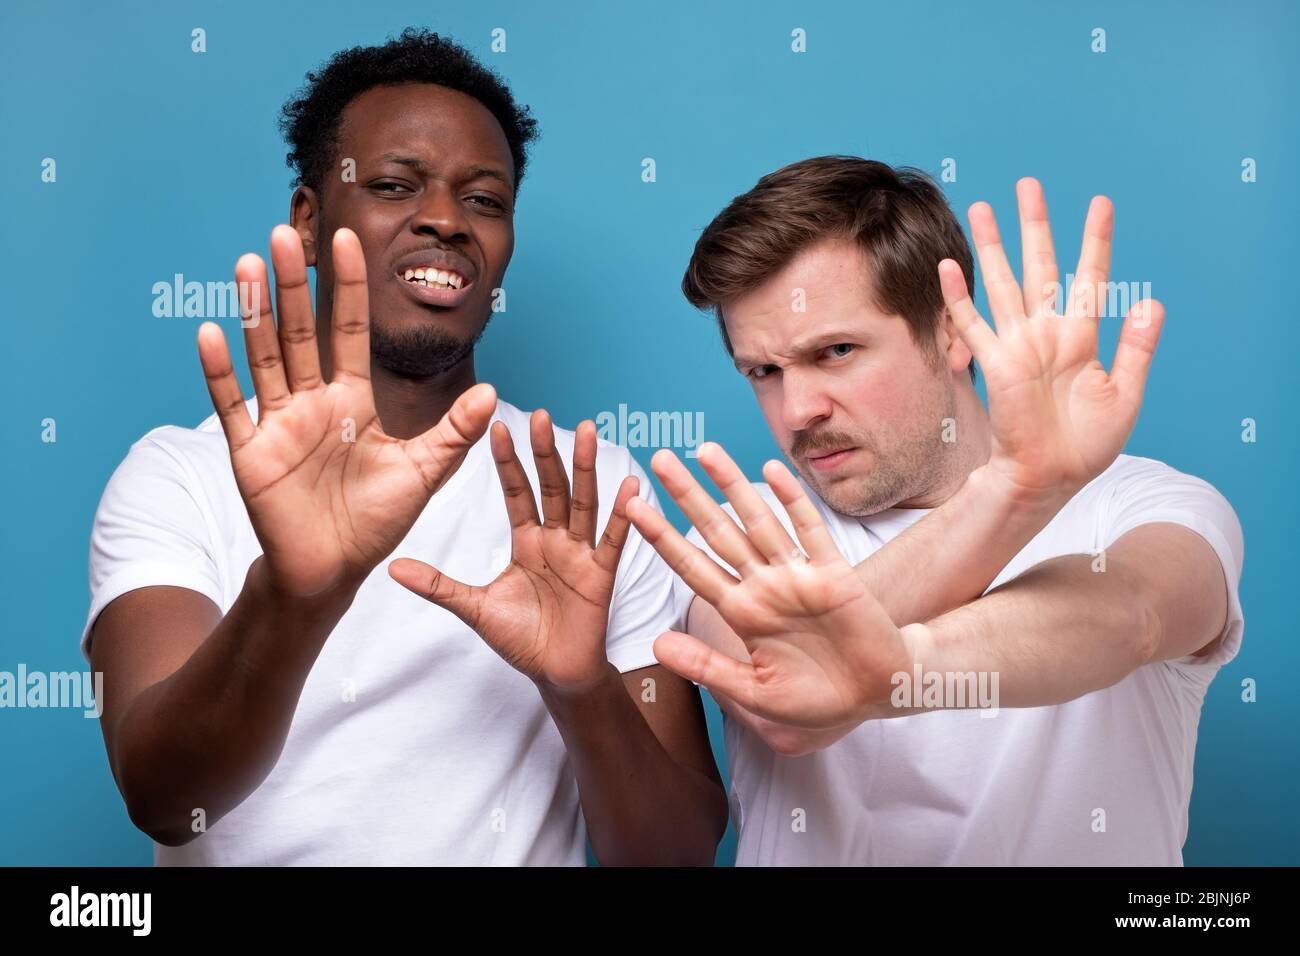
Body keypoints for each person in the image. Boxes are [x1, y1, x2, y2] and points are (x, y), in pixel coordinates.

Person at [81, 29, 727, 866]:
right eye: (392, 185)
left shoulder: (589, 486)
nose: (445, 220)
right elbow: (165, 799)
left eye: (485, 200)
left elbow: (672, 855)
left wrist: (580, 683)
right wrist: (299, 593)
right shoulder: (179, 476)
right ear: (308, 221)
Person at [626, 157, 1245, 865]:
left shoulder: (1147, 505)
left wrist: (900, 665)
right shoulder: (743, 534)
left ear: (954, 330)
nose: (797, 411)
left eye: (835, 351)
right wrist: (1012, 488)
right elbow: (776, 690)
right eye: (764, 372)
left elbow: (1134, 616)